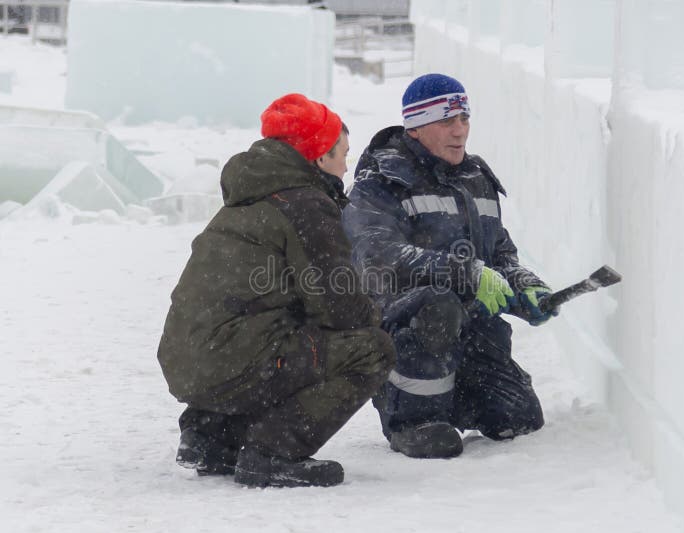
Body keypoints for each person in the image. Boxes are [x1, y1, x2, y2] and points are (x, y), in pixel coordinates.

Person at [157, 93, 396, 487]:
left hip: (188, 363)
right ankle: (272, 452)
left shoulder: (246, 198)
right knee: (371, 349)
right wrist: (376, 311)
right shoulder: (305, 204)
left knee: (281, 323)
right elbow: (338, 308)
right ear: (319, 157)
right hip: (230, 359)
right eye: (342, 155)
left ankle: (211, 436)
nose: (346, 167)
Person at [342, 73, 558, 459]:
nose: (460, 131)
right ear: (416, 128)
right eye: (446, 122)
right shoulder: (380, 181)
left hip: (472, 328)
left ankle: (449, 398)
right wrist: (467, 272)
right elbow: (378, 256)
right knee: (437, 303)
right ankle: (412, 419)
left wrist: (524, 285)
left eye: (465, 119)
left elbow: (500, 251)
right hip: (402, 325)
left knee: (519, 418)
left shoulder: (475, 177)